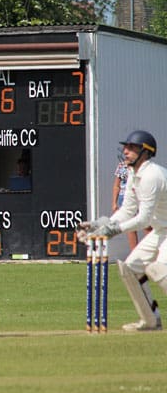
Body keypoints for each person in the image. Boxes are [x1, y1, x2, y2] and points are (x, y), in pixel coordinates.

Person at [78, 130, 167, 332]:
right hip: (162, 230)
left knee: (158, 269)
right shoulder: (133, 173)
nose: (125, 151)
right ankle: (150, 321)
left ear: (145, 152)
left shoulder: (152, 175)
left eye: (132, 148)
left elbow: (143, 218)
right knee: (130, 268)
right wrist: (99, 224)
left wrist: (113, 231)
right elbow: (127, 210)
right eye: (126, 147)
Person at [112, 159, 144, 250]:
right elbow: (116, 185)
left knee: (148, 225)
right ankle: (134, 254)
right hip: (125, 198)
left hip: (140, 196)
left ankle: (152, 255)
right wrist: (114, 203)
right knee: (130, 227)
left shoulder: (142, 165)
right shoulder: (122, 166)